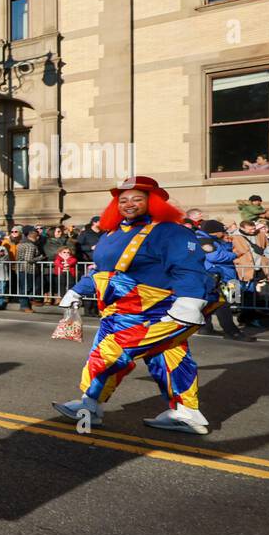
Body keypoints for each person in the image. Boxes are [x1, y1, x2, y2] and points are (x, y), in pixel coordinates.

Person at [53, 176, 219, 435]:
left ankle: (90, 406)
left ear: (153, 201)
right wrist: (78, 289)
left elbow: (187, 268)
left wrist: (188, 302)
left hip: (154, 311)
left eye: (137, 198)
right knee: (169, 358)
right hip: (118, 308)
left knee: (111, 352)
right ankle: (186, 414)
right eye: (123, 200)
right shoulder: (112, 233)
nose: (129, 204)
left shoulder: (169, 231)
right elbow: (102, 271)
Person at [195, 220, 251, 341]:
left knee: (211, 303)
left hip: (215, 275)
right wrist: (235, 255)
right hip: (213, 275)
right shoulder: (205, 241)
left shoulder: (211, 239)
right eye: (222, 231)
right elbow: (214, 256)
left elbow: (219, 252)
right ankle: (231, 332)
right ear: (215, 232)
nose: (224, 233)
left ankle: (206, 328)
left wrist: (227, 244)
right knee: (222, 304)